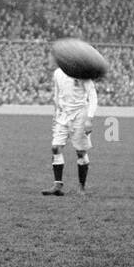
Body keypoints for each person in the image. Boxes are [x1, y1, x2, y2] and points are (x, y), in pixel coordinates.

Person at [42, 59, 98, 196]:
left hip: (80, 114)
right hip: (63, 115)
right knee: (55, 147)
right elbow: (57, 94)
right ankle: (57, 185)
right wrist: (56, 112)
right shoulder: (57, 73)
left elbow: (93, 96)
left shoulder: (83, 73)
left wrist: (89, 119)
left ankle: (81, 187)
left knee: (80, 152)